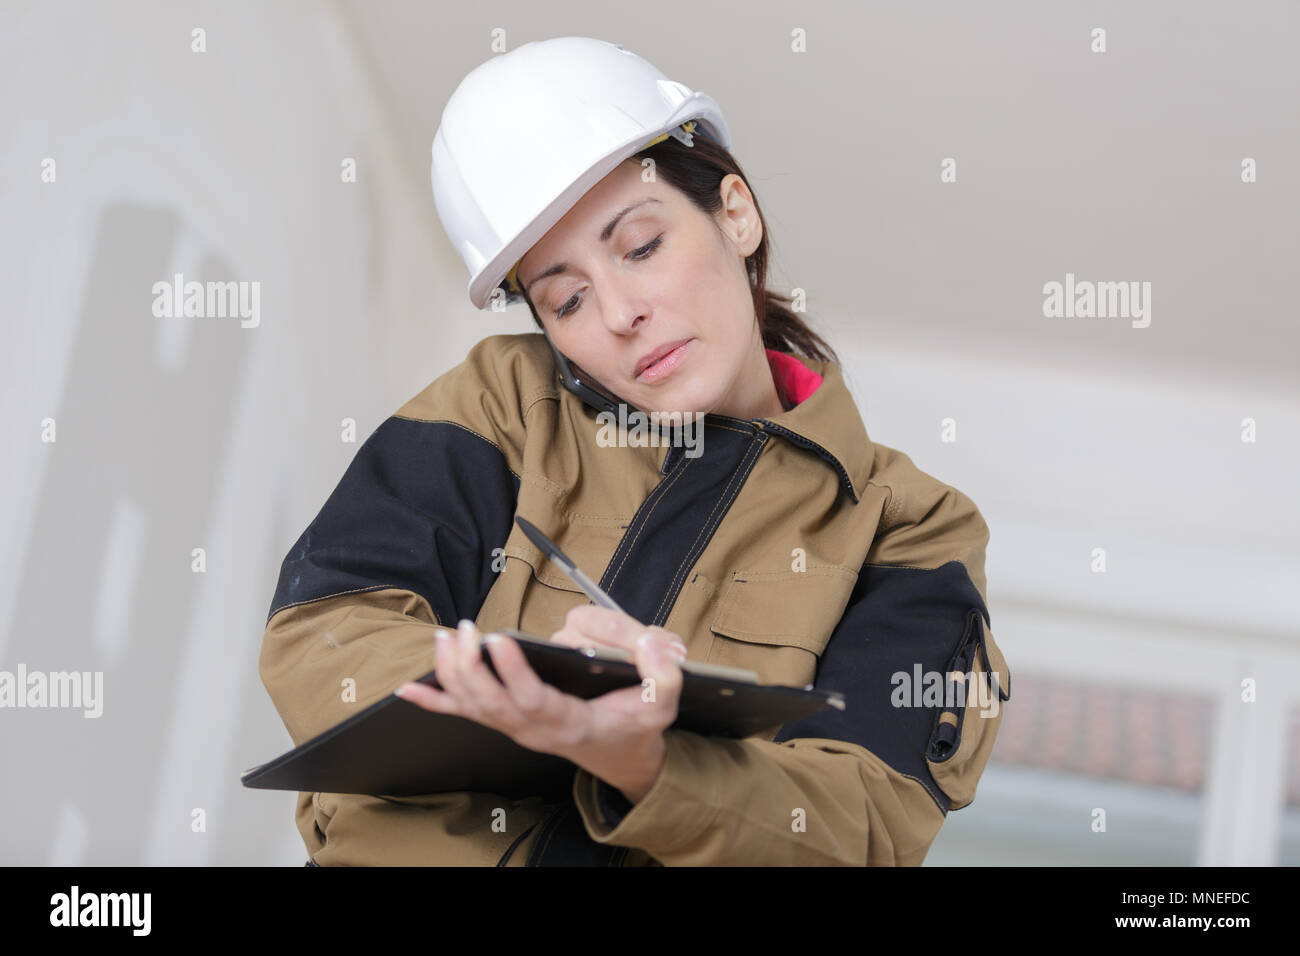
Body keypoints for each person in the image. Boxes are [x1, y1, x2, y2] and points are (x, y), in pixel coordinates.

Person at [258, 35, 1011, 867]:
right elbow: (323, 632)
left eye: (642, 247)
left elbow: (856, 825)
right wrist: (531, 692)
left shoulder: (906, 530)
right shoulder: (505, 403)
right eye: (568, 298)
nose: (617, 313)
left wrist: (643, 760)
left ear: (736, 213)